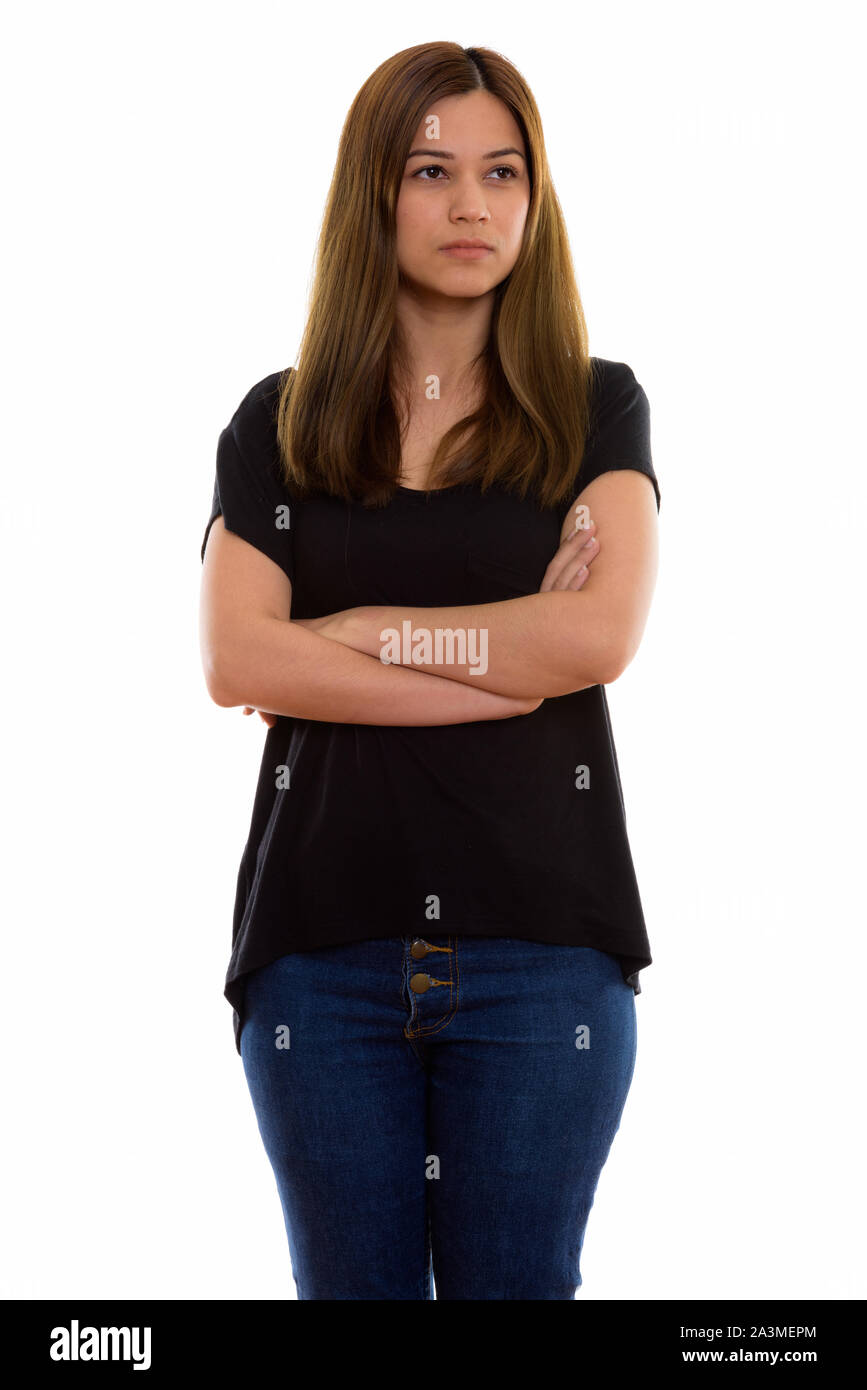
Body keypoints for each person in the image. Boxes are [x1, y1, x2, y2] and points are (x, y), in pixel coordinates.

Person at [199, 41, 660, 1300]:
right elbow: (238, 659)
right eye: (433, 169)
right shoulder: (279, 424)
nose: (473, 204)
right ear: (374, 193)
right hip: (321, 953)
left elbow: (596, 638)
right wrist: (497, 662)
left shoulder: (594, 409)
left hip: (542, 954)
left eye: (503, 172)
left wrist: (346, 635)